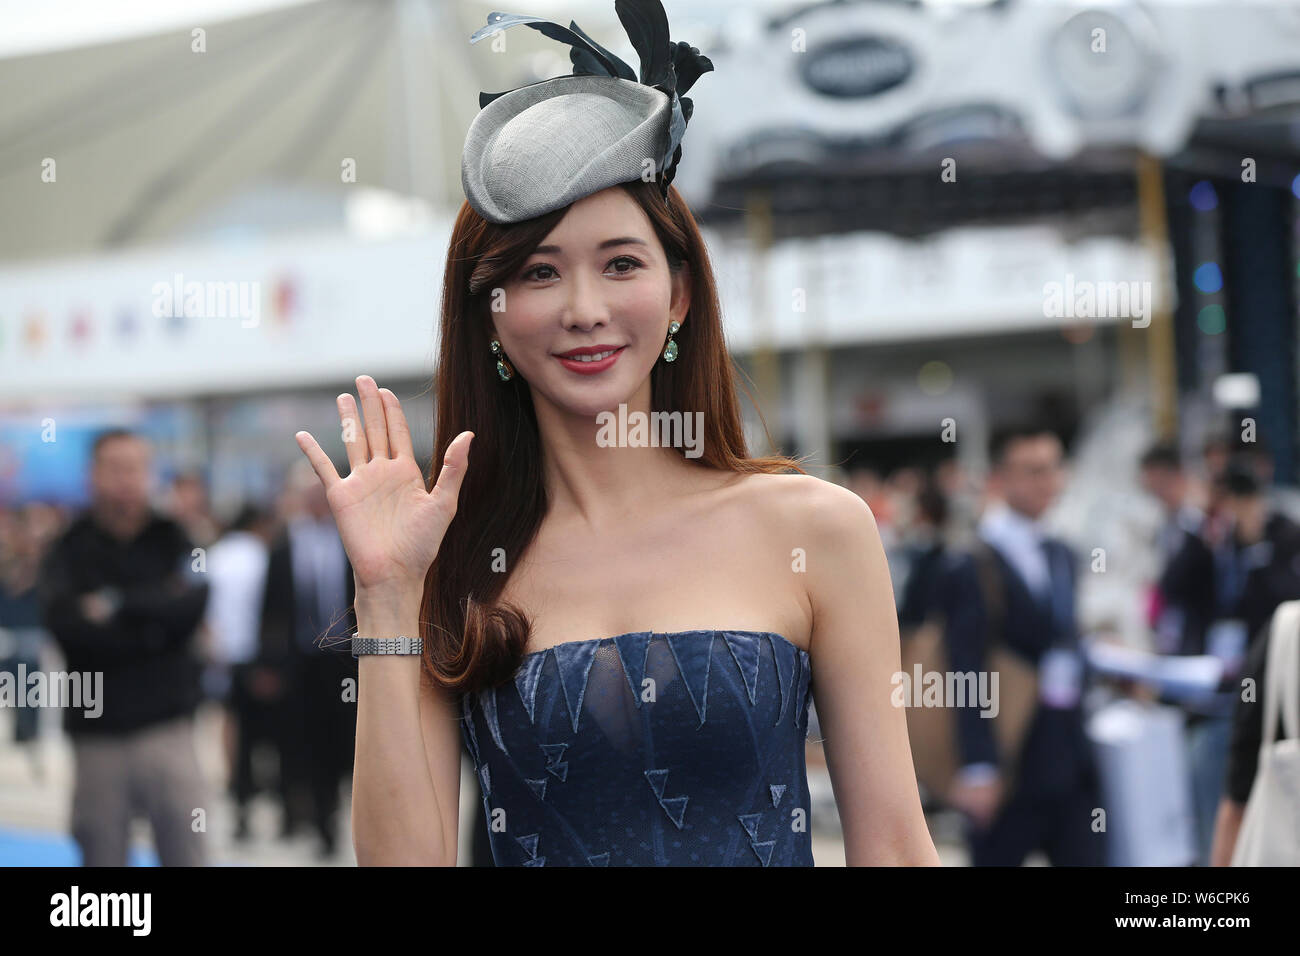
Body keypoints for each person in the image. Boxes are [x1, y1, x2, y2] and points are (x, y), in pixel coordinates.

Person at [291, 0, 939, 867]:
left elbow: (895, 848)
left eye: (621, 263)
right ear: (491, 315)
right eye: (538, 273)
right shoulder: (449, 565)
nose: (585, 310)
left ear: (678, 296)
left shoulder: (814, 529)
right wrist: (383, 595)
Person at [37, 429, 210, 866]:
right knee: (100, 851)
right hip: (98, 734)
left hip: (168, 726)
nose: (125, 479)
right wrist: (153, 617)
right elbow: (67, 625)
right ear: (92, 475)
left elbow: (191, 606)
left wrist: (115, 603)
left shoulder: (173, 537)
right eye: (114, 468)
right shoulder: (68, 547)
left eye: (134, 467)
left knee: (186, 845)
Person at [943, 424, 1106, 865]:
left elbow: (1066, 641)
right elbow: (963, 666)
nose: (1047, 482)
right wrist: (978, 766)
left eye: (1053, 469)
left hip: (1071, 751)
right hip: (1010, 753)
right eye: (1032, 470)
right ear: (1000, 478)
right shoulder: (971, 561)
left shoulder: (1063, 553)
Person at [258, 461, 357, 859]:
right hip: (299, 662)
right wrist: (266, 662)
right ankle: (316, 818)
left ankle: (338, 811)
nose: (318, 501)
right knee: (303, 742)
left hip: (344, 660)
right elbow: (269, 610)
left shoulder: (350, 540)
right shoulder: (282, 548)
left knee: (343, 741)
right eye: (311, 494)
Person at [202, 503, 274, 841]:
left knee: (231, 726)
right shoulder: (261, 557)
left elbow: (201, 605)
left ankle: (237, 787)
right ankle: (258, 789)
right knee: (259, 731)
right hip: (255, 656)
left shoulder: (217, 556)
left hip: (224, 655)